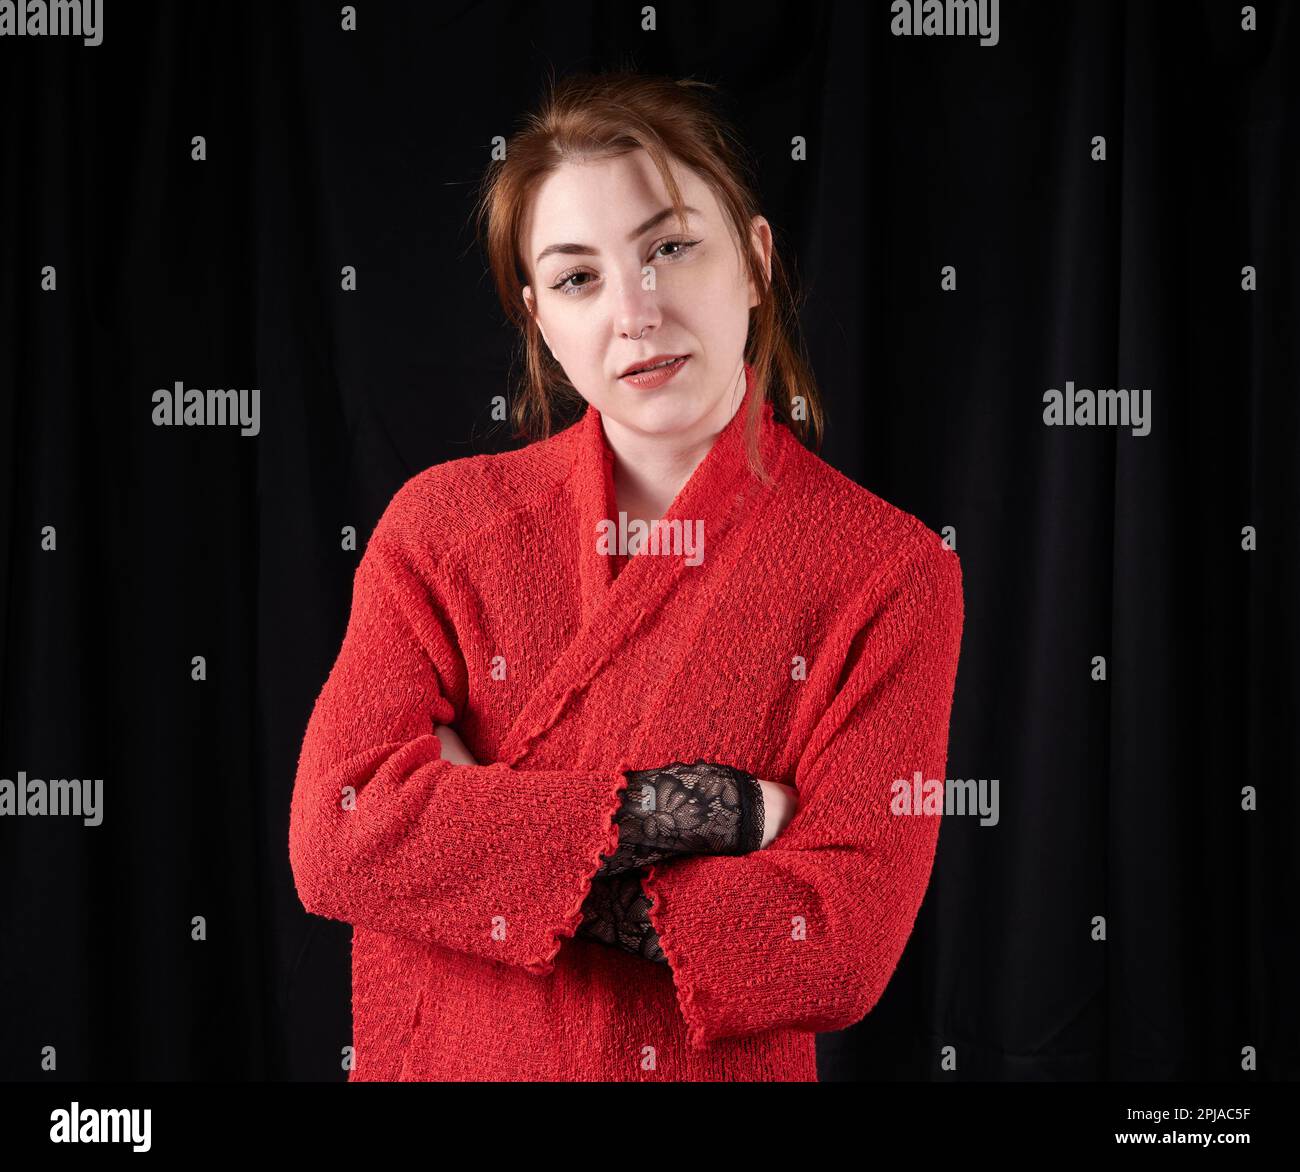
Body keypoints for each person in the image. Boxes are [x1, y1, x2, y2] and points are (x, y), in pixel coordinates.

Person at [288, 69, 965, 1082]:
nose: (634, 310)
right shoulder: (440, 526)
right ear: (537, 318)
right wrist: (696, 809)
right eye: (576, 277)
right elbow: (336, 839)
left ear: (755, 260)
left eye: (670, 248)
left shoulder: (888, 568)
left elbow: (833, 944)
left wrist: (473, 836)